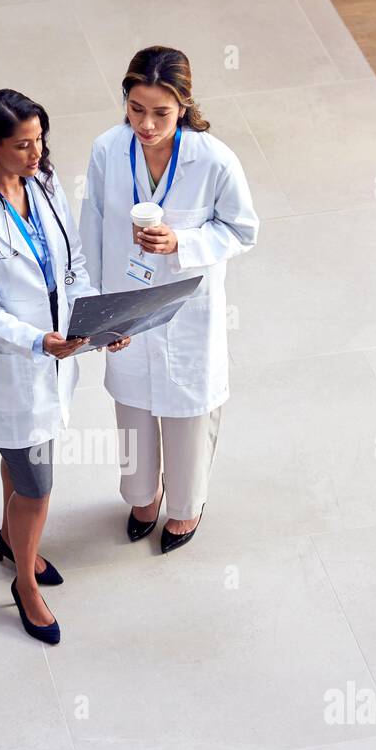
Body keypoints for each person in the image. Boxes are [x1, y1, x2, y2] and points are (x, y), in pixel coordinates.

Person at [0, 88, 129, 644]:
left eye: (40, 140)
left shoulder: (42, 186)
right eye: (22, 145)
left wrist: (99, 320)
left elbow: (71, 267)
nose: (36, 154)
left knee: (20, 466)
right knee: (38, 487)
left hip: (55, 354)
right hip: (14, 368)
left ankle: (8, 536)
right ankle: (24, 582)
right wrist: (39, 342)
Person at [80, 46, 259, 553]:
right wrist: (95, 307)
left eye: (161, 112)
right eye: (137, 109)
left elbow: (242, 230)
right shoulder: (107, 150)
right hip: (126, 305)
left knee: (188, 412)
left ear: (183, 105)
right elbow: (90, 227)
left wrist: (185, 242)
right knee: (132, 406)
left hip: (188, 311)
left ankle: (185, 508)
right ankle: (142, 495)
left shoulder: (215, 159)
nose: (147, 124)